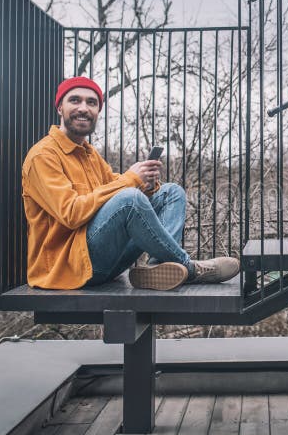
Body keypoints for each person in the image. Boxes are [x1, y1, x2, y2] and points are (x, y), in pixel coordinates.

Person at [21, 76, 240, 290]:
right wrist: (130, 180)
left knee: (171, 192)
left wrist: (144, 182)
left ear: (98, 111)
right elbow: (71, 213)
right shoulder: (43, 156)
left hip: (106, 261)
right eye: (75, 100)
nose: (83, 108)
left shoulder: (88, 154)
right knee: (130, 200)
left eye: (92, 102)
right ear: (60, 108)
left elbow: (112, 186)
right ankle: (190, 268)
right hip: (69, 269)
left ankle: (164, 269)